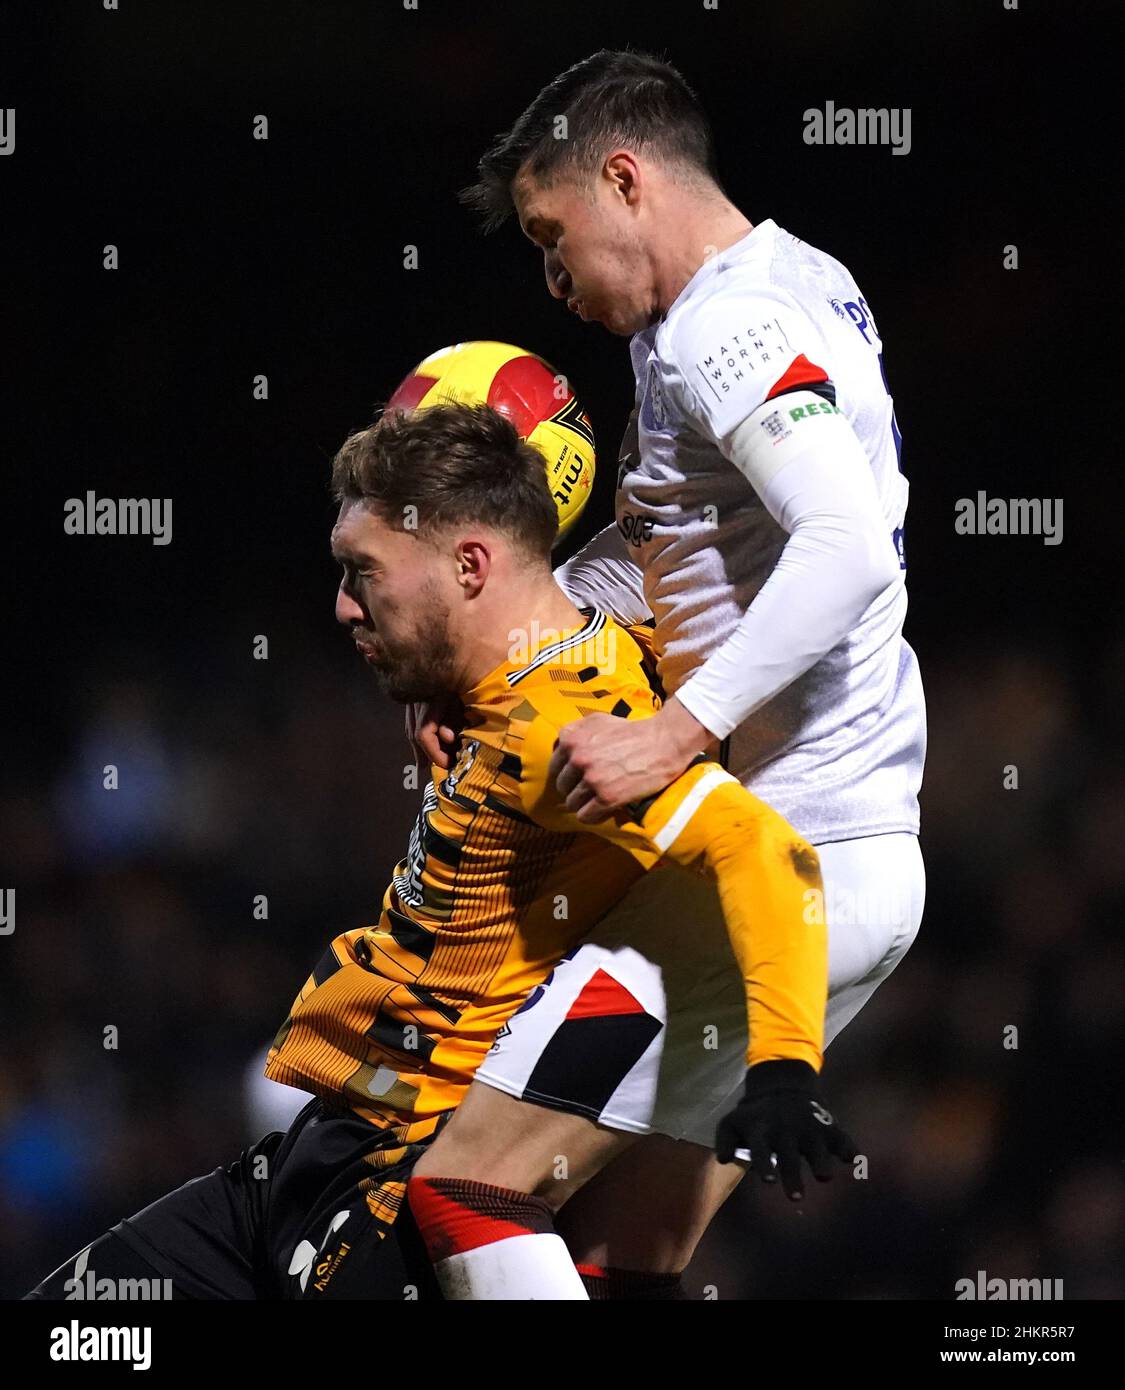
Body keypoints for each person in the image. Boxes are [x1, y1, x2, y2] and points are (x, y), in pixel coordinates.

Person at [23, 402, 851, 1301]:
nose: (342, 607)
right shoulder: (510, 678)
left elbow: (767, 854)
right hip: (298, 1160)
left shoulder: (564, 728)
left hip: (394, 1183)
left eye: (362, 574)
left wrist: (782, 1068)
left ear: (468, 566)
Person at [407, 47, 926, 1299]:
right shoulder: (800, 285)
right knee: (624, 1255)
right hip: (853, 864)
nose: (552, 278)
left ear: (624, 179)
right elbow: (679, 555)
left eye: (552, 234)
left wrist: (676, 729)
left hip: (778, 864)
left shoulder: (722, 329)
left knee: (465, 1191)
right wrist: (499, 656)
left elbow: (845, 543)